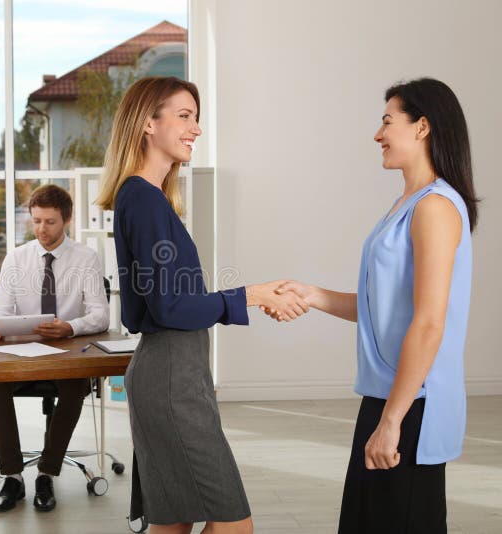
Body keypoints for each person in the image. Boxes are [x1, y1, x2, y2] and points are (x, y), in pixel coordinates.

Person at [96, 76, 309, 534]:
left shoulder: (144, 198)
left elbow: (140, 311)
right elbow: (170, 309)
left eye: (197, 118)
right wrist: (250, 295)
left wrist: (246, 296)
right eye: (184, 116)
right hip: (172, 383)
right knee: (233, 525)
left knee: (173, 525)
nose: (196, 128)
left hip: (171, 376)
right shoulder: (145, 200)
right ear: (148, 123)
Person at [268, 78, 477, 533]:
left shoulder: (435, 207)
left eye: (387, 121)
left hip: (412, 403)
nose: (378, 134)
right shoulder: (407, 205)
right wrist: (312, 295)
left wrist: (392, 420)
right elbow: (384, 307)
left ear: (422, 127)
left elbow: (429, 322)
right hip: (388, 396)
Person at [0, 184, 109, 512]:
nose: (41, 229)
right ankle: (12, 476)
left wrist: (70, 327)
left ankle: (46, 473)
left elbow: (101, 315)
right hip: (23, 355)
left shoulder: (86, 258)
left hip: (66, 356)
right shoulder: (17, 258)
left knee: (76, 385)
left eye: (50, 222)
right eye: (36, 220)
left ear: (66, 219)